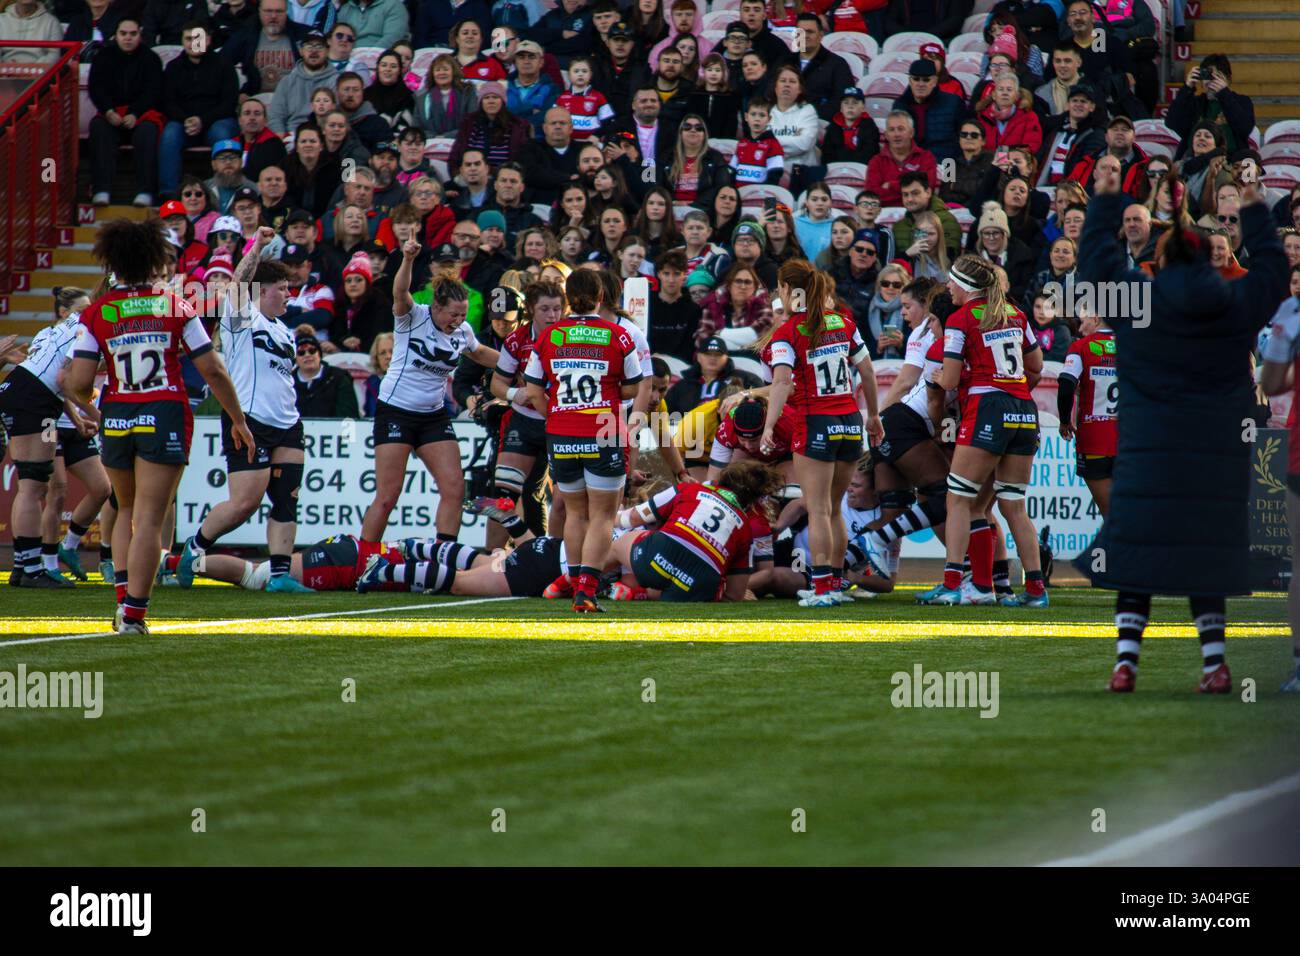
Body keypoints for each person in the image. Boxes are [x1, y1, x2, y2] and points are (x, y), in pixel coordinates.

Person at [1075, 169, 1290, 693]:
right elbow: (1273, 275)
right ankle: (1215, 665)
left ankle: (1126, 663)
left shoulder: (1138, 302)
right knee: (1206, 559)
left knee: (1133, 557)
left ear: (1162, 259)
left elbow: (1097, 264)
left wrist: (1108, 201)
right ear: (1208, 260)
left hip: (1147, 456)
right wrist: (1257, 210)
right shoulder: (1232, 304)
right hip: (1215, 458)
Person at [60, 219, 252, 633]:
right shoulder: (175, 305)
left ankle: (122, 605)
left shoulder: (97, 313)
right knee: (149, 517)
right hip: (163, 411)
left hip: (117, 413)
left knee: (126, 510)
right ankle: (134, 615)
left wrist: (94, 408)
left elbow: (76, 383)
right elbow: (213, 370)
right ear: (153, 261)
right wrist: (238, 420)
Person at [177, 227, 311, 592]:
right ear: (262, 291)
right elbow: (238, 282)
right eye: (282, 288)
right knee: (244, 503)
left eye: (289, 288)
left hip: (288, 423)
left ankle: (280, 576)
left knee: (287, 500)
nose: (288, 294)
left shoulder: (286, 331)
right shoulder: (241, 317)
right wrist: (258, 245)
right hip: (247, 420)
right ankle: (194, 548)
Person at [919, 254, 1046, 609]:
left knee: (958, 497)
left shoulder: (960, 319)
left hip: (988, 409)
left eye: (952, 282)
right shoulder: (1016, 313)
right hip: (1023, 410)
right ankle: (1035, 589)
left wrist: (936, 378)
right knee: (1013, 505)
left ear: (965, 286)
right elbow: (1035, 367)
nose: (948, 287)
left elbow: (952, 379)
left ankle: (951, 584)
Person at [758, 258, 884, 607]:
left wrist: (769, 425)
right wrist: (873, 416)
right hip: (849, 422)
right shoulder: (843, 322)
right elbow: (868, 373)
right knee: (833, 509)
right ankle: (837, 582)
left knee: (817, 509)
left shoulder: (786, 333)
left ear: (786, 289)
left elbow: (782, 383)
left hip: (816, 423)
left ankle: (823, 587)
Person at [522, 269, 643, 612]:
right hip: (602, 429)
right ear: (602, 296)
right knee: (603, 514)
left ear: (567, 298)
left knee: (575, 513)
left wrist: (555, 414)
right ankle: (586, 591)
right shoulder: (617, 335)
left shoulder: (550, 335)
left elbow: (533, 388)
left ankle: (574, 583)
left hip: (561, 431)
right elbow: (634, 386)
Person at [362, 244, 499, 545]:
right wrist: (408, 258)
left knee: (454, 488)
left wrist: (521, 362)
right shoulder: (414, 316)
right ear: (436, 307)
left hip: (433, 414)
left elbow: (479, 353)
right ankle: (364, 558)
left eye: (463, 314)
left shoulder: (462, 332)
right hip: (396, 410)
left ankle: (444, 553)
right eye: (453, 314)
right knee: (388, 495)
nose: (459, 321)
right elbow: (400, 292)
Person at [610, 460, 782, 601]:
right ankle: (639, 593)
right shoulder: (746, 526)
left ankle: (586, 580)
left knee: (621, 543)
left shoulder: (690, 488)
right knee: (680, 586)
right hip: (697, 585)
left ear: (722, 479)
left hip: (657, 559)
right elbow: (735, 594)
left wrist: (603, 521)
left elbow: (631, 518)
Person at [86, 19, 163, 208]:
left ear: (140, 35)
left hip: (142, 114)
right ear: (116, 35)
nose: (128, 38)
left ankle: (145, 191)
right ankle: (101, 190)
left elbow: (154, 90)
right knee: (98, 127)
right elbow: (96, 88)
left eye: (133, 34)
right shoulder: (102, 57)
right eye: (123, 33)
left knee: (147, 131)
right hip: (111, 114)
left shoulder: (151, 58)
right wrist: (108, 111)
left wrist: (135, 113)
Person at [1058, 310, 1116, 518]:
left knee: (1112, 517)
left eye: (1082, 323)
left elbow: (1065, 384)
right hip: (1130, 442)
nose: (1080, 329)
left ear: (1096, 318)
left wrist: (1065, 421)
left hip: (1094, 442)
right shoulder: (1135, 347)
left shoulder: (1080, 346)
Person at [293, 331, 362, 417]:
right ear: (295, 358)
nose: (307, 355)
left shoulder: (339, 377)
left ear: (319, 354)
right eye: (301, 352)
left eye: (312, 350)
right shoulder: (287, 381)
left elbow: (348, 416)